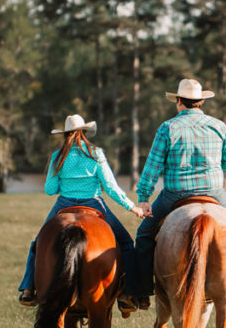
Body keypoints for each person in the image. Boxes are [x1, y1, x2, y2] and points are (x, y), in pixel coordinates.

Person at [128, 78, 226, 310]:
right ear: (201, 101)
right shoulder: (218, 126)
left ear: (179, 102)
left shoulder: (167, 128)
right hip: (213, 192)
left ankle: (141, 293)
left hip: (175, 192)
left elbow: (152, 168)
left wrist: (144, 198)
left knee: (144, 235)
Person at [18, 114, 146, 307]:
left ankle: (28, 289)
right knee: (126, 243)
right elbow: (110, 187)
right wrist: (132, 207)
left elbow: (49, 189)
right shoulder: (95, 153)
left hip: (64, 204)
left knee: (38, 243)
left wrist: (67, 183)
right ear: (85, 133)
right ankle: (129, 294)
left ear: (65, 134)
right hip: (93, 203)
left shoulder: (57, 156)